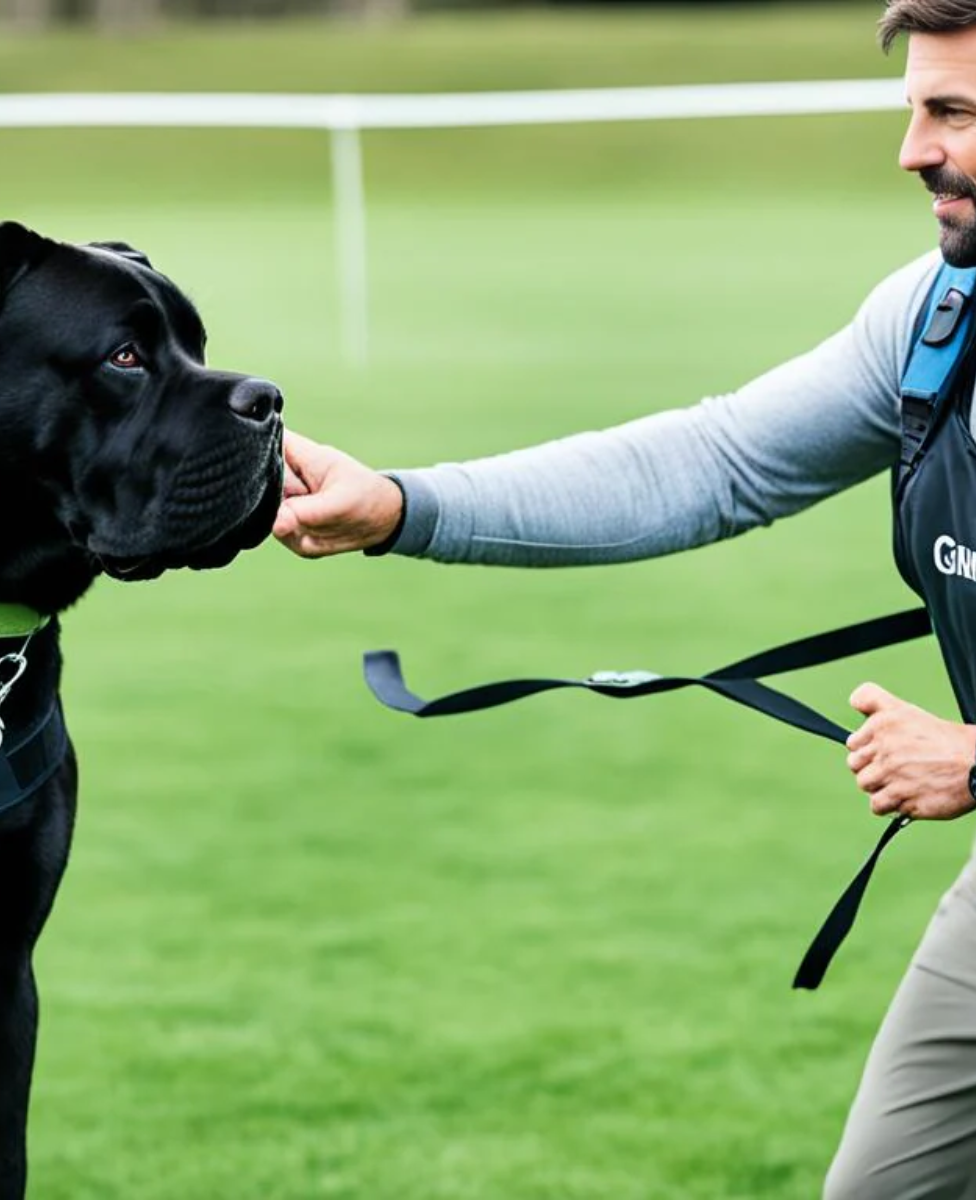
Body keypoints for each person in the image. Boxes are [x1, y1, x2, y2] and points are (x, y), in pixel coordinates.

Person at [272, 3, 976, 1196]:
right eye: (915, 108)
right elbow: (716, 464)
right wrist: (400, 506)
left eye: (952, 112)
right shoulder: (936, 318)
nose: (913, 150)